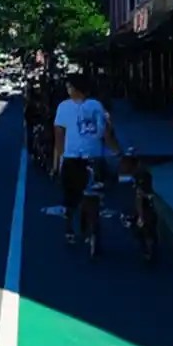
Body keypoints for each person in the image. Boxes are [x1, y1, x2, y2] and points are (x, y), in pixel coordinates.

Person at [53, 73, 121, 244]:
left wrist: (58, 160)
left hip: (72, 157)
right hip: (94, 155)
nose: (67, 90)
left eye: (69, 87)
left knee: (71, 196)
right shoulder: (96, 105)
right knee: (98, 188)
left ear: (75, 89)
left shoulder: (64, 107)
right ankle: (90, 220)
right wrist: (116, 151)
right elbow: (105, 132)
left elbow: (59, 135)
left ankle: (70, 228)